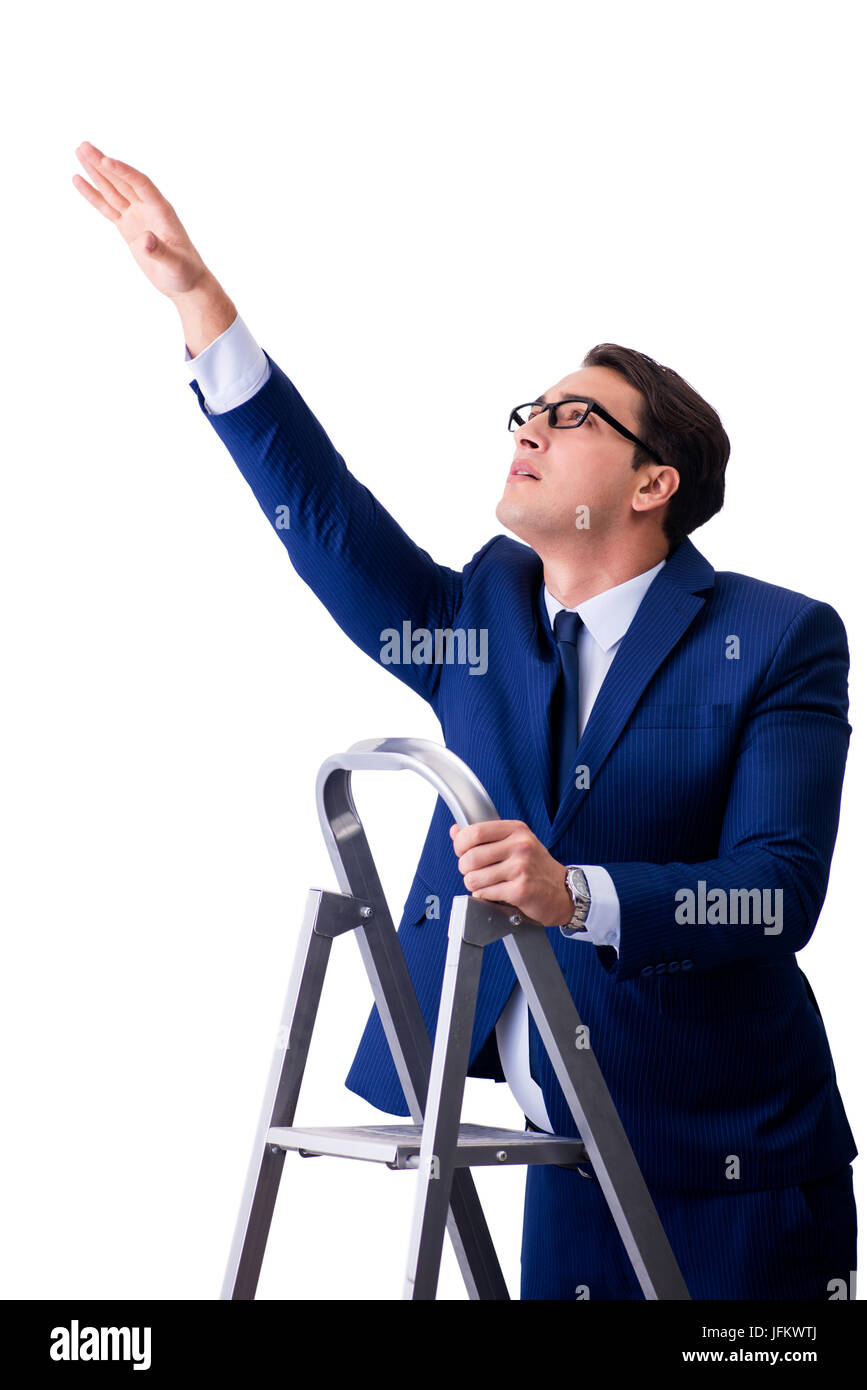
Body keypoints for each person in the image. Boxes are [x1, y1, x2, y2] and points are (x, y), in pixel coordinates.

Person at [73, 141, 858, 1301]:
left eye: (574, 415)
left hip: (729, 1169)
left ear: (654, 485)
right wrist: (202, 305)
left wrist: (575, 893)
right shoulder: (477, 614)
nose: (530, 427)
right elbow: (328, 525)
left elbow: (777, 887)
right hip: (564, 1160)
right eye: (528, 409)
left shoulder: (781, 638)